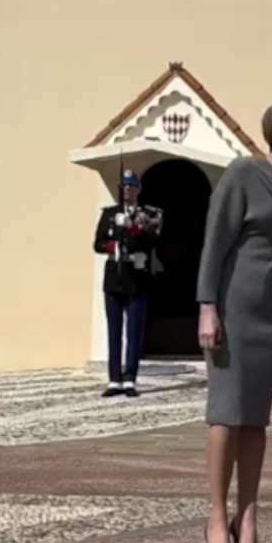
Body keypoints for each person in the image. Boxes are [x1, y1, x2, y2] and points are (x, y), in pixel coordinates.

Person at [196, 101, 272, 543]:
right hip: (233, 305)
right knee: (226, 411)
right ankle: (216, 517)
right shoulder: (242, 173)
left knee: (256, 418)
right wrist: (207, 308)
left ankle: (249, 517)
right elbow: (215, 242)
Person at [92, 169, 162, 398]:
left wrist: (134, 228)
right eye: (124, 187)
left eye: (132, 187)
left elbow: (152, 240)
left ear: (138, 190)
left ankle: (130, 378)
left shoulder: (148, 214)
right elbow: (98, 243)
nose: (127, 191)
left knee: (134, 331)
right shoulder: (110, 214)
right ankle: (114, 379)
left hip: (136, 278)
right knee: (114, 330)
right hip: (114, 276)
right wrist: (113, 245)